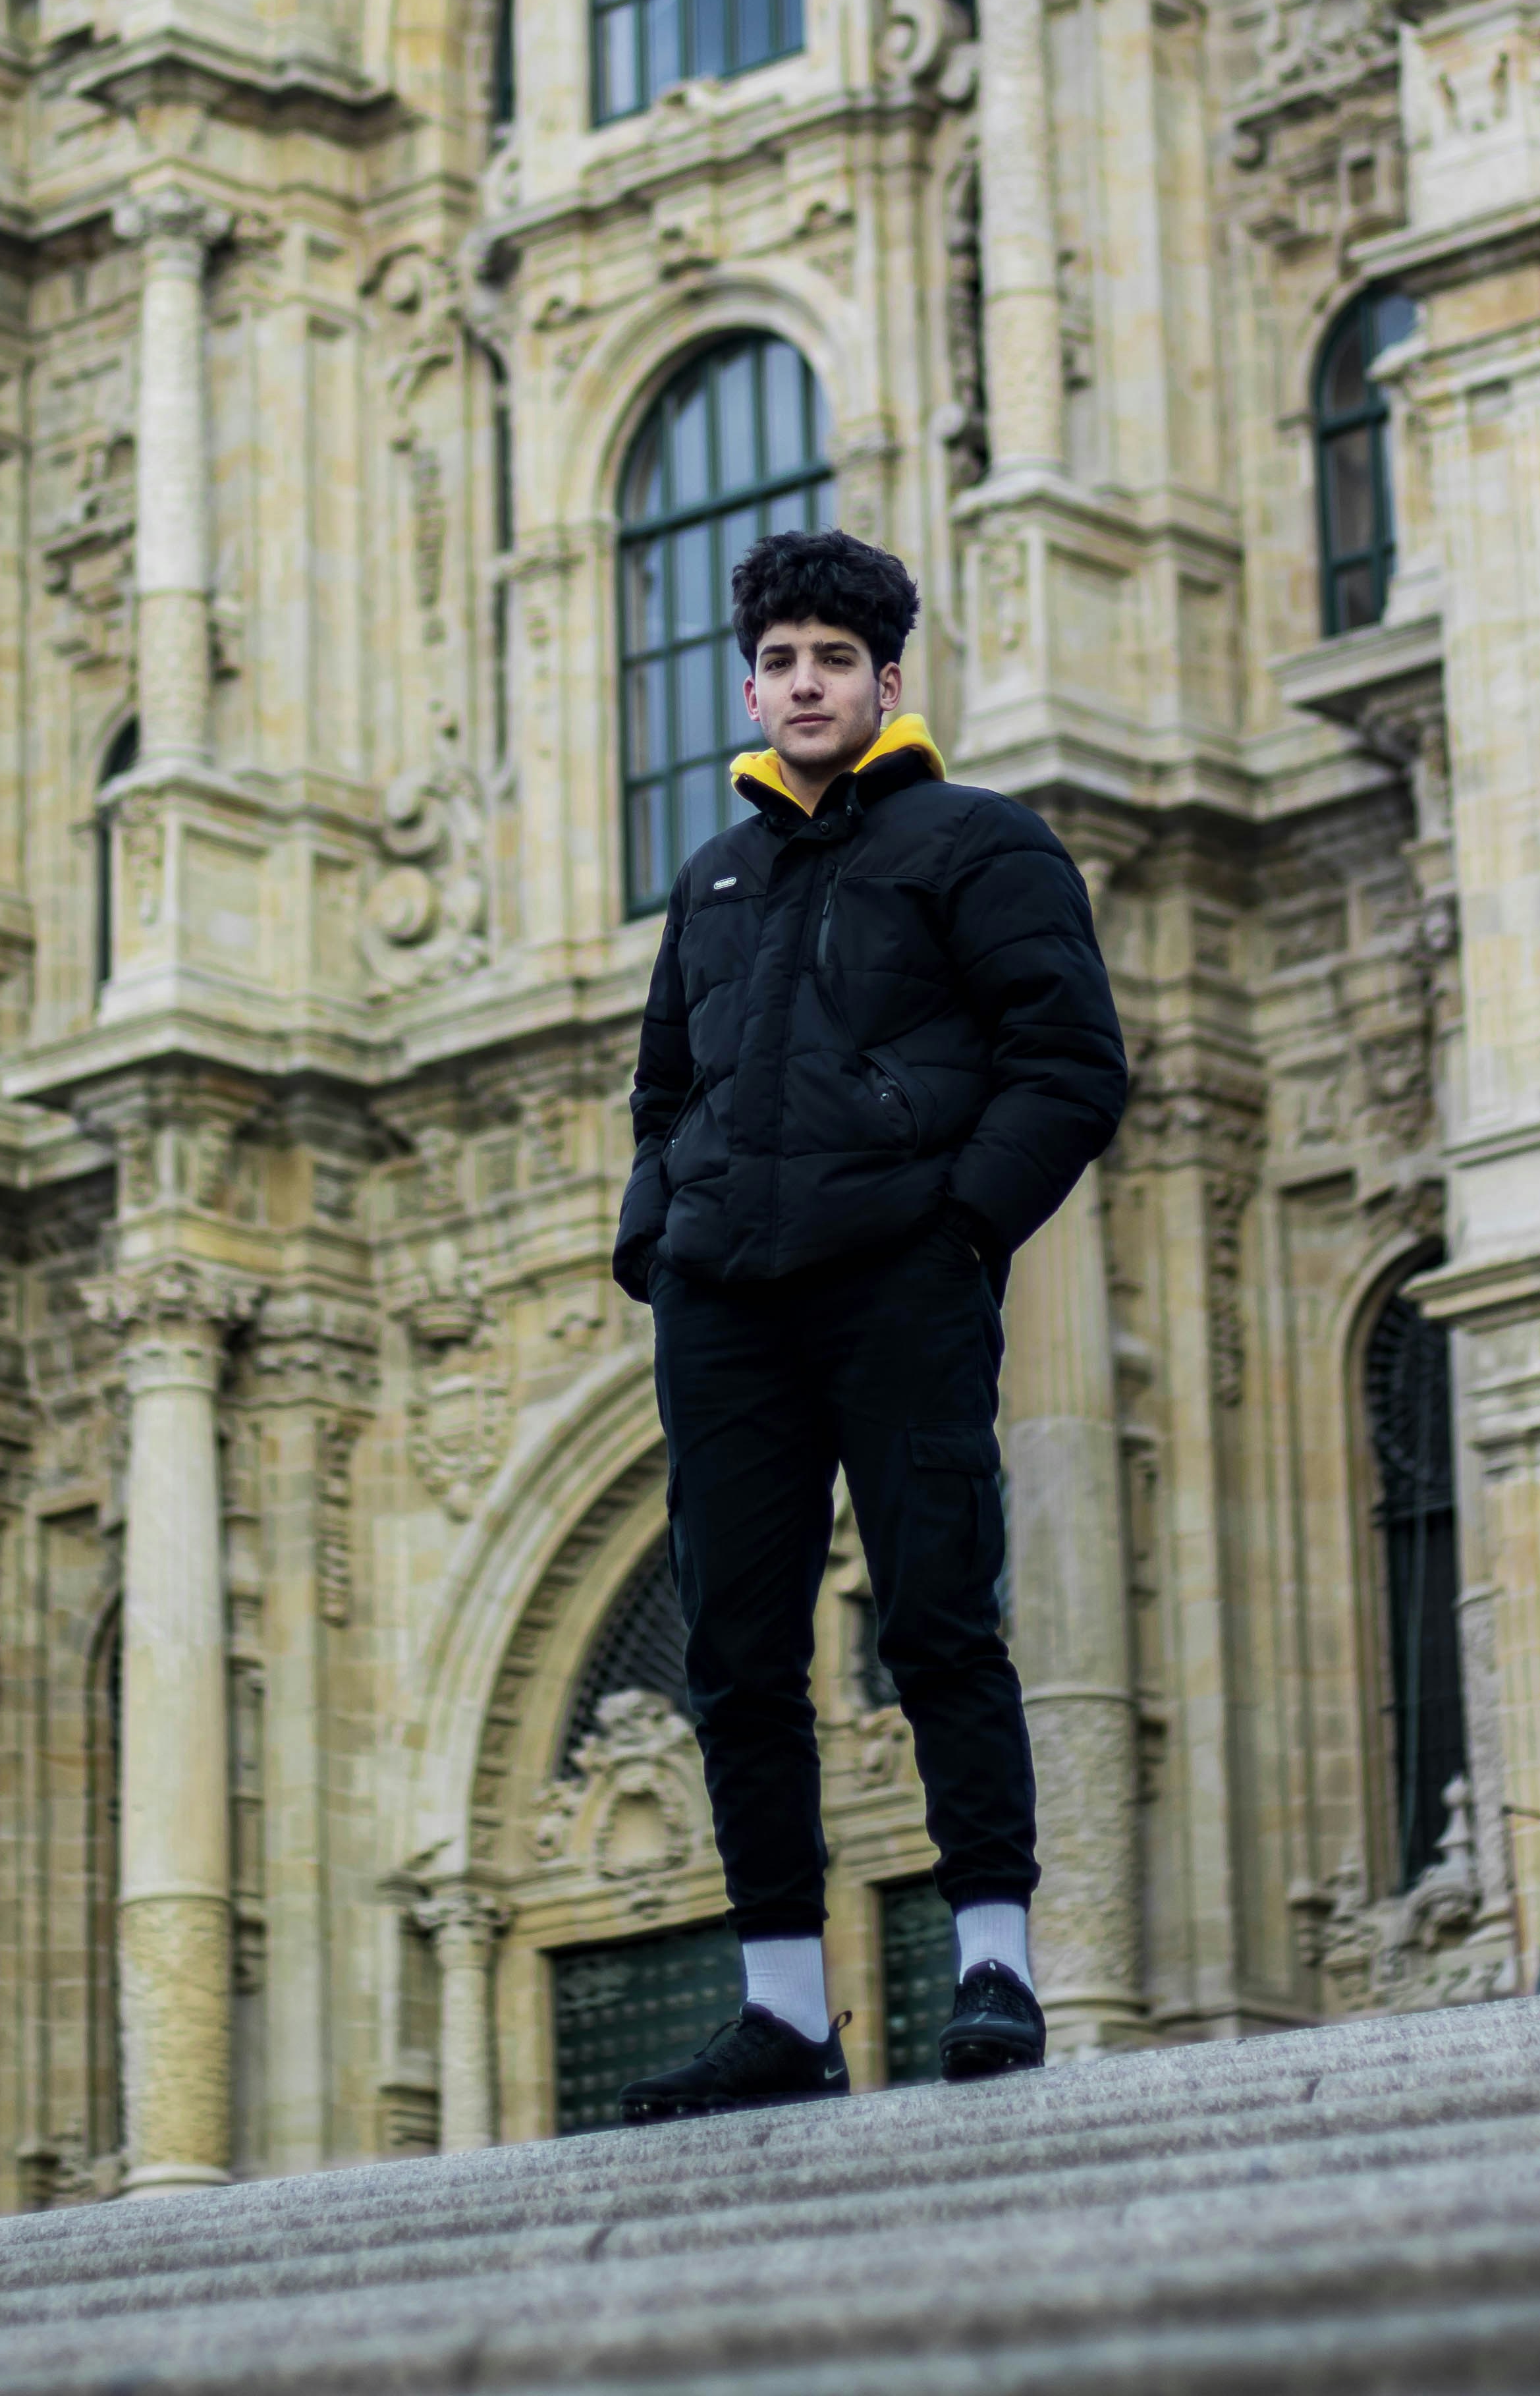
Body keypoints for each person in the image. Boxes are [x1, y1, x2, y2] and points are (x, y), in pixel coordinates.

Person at [610, 526, 1129, 2120]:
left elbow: (1071, 1065)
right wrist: (661, 1241)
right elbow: (663, 1090)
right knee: (739, 1655)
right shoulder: (713, 875)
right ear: (748, 687)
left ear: (886, 679)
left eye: (833, 659)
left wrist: (955, 1229)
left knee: (935, 1622)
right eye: (777, 663)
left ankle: (994, 1964)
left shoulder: (980, 843)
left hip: (895, 1284)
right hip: (726, 1305)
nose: (802, 684)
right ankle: (782, 2010)